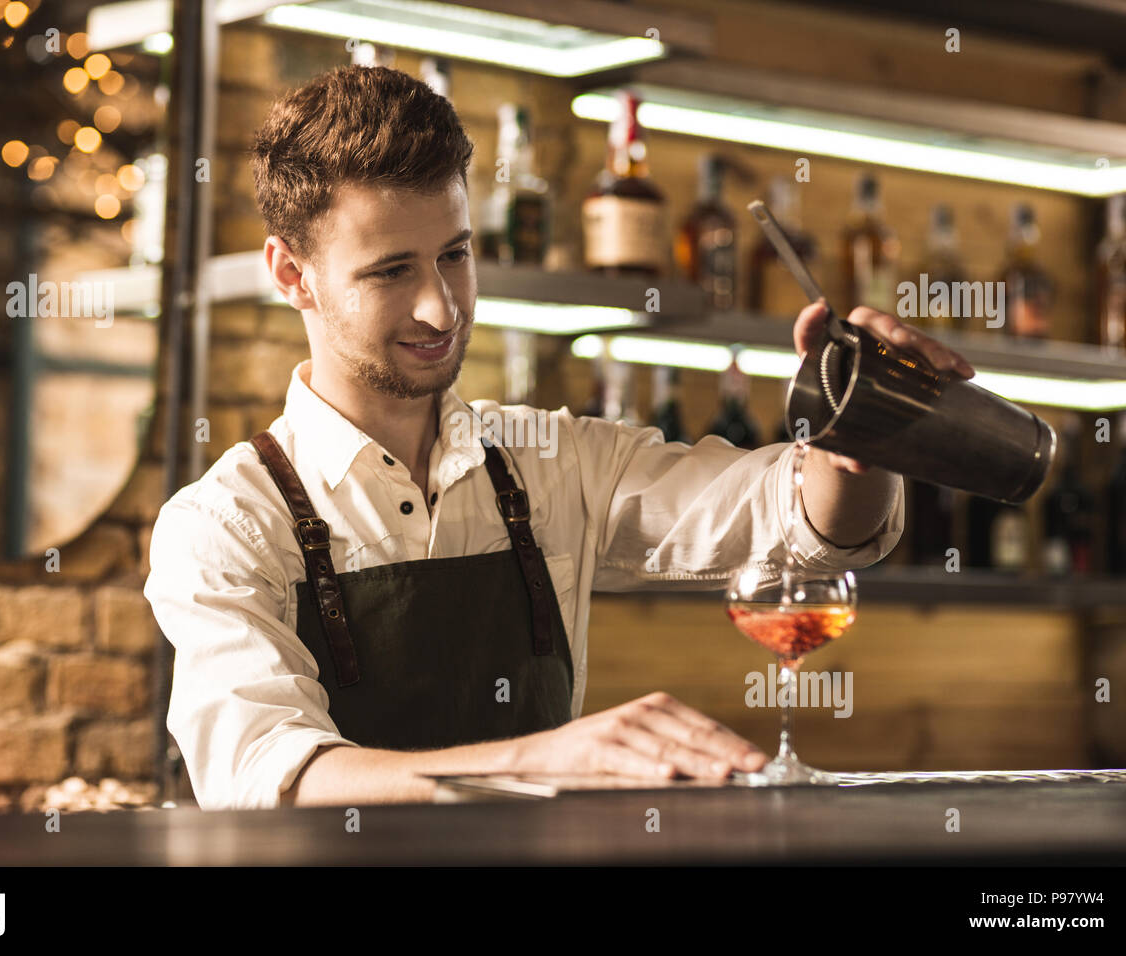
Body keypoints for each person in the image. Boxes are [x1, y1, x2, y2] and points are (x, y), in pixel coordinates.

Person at [144, 65, 975, 810]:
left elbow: (796, 521)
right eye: (391, 271)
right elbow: (273, 781)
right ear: (292, 274)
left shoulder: (551, 461)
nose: (442, 308)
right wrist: (545, 761)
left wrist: (852, 438)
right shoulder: (224, 523)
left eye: (457, 256)